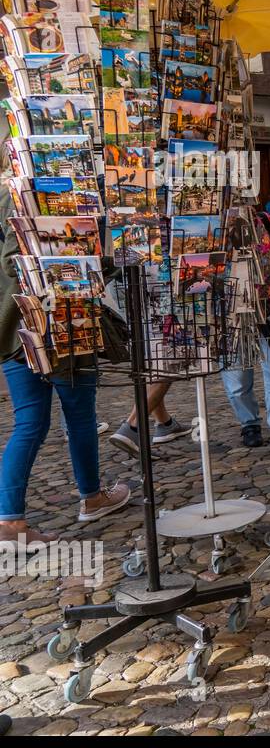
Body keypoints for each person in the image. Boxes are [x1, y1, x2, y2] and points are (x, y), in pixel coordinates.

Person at [0, 194, 130, 547]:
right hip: (63, 325)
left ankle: (11, 519)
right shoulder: (25, 200)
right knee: (78, 417)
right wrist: (108, 262)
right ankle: (91, 497)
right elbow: (15, 266)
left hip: (12, 329)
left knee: (30, 422)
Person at [220, 210, 270, 448]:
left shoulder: (263, 220)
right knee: (236, 374)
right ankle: (249, 425)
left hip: (269, 309)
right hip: (229, 313)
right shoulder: (214, 225)